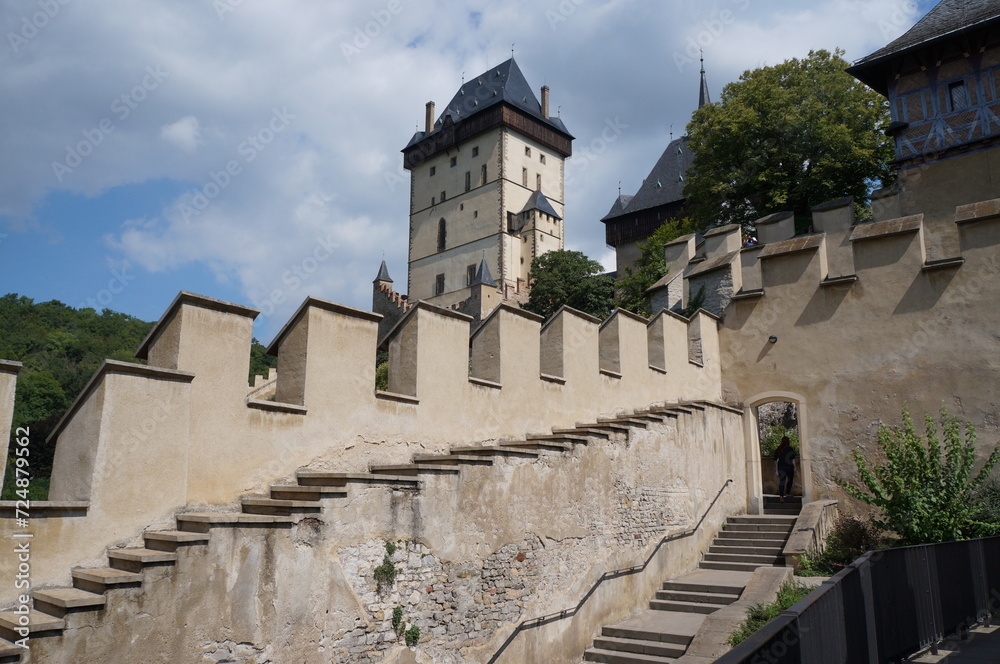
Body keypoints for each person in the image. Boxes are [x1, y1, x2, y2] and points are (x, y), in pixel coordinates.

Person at [773, 436, 797, 501]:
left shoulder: (778, 449)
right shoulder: (790, 449)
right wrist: (795, 467)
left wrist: (776, 467)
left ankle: (781, 496)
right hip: (789, 467)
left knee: (782, 481)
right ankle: (787, 493)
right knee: (790, 480)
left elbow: (775, 460)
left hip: (781, 467)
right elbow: (792, 459)